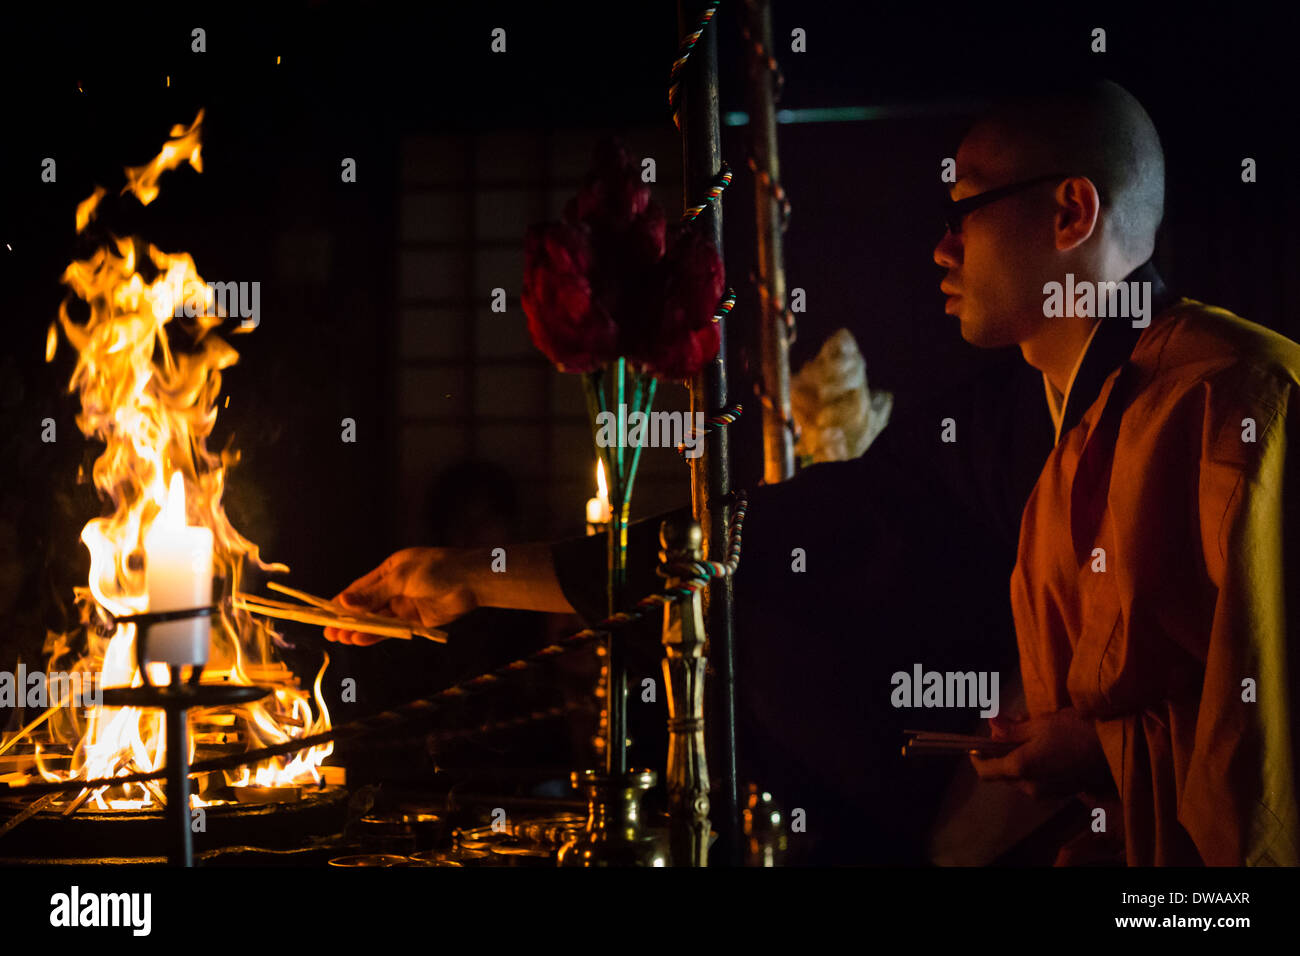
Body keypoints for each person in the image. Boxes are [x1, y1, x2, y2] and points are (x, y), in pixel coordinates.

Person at [327, 78, 1300, 865]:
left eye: (965, 207)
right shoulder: (1029, 419)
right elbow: (780, 535)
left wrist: (1095, 749)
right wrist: (477, 574)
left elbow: (1262, 749)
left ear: (1070, 210)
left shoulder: (1235, 396)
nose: (940, 243)